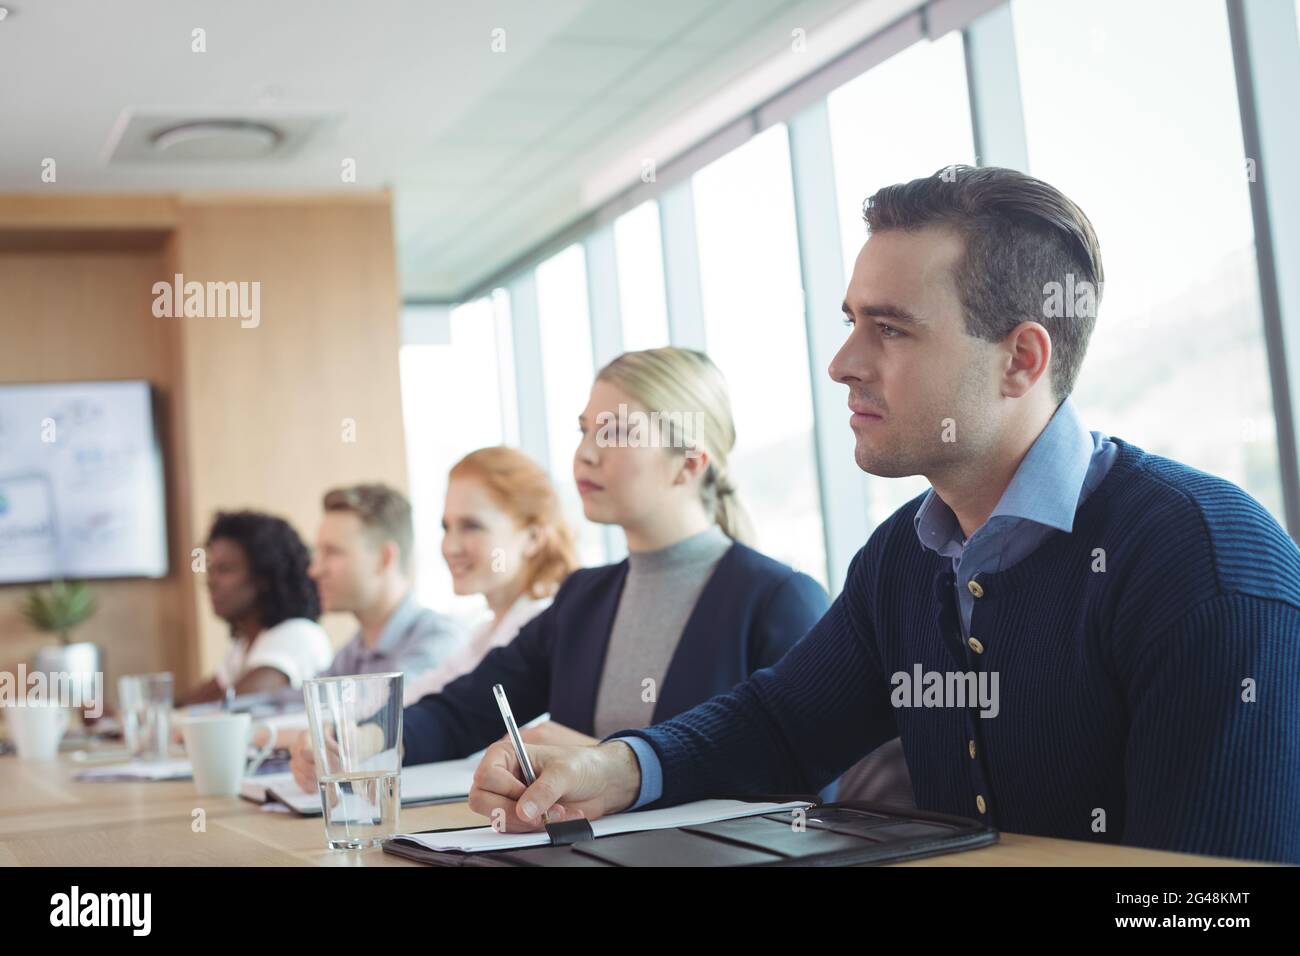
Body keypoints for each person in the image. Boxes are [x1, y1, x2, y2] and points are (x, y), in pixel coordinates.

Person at [467, 166, 1300, 864]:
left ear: (1021, 359)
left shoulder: (1206, 562)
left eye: (891, 329)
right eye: (850, 322)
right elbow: (783, 725)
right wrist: (617, 770)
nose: (842, 364)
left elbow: (1210, 906)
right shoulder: (906, 553)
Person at [290, 347, 829, 791]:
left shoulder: (777, 599)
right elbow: (462, 713)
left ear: (688, 462)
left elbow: (805, 780)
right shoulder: (584, 598)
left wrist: (608, 762)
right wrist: (361, 740)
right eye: (583, 430)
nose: (584, 455)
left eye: (614, 432)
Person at [403, 446, 577, 705]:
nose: (450, 546)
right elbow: (420, 699)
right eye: (446, 527)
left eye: (471, 526)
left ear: (532, 537)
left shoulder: (537, 628)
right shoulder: (484, 631)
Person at [179, 511, 331, 706]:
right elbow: (198, 700)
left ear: (264, 578)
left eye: (225, 570)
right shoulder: (246, 644)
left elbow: (234, 704)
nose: (211, 581)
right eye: (210, 569)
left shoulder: (297, 633)